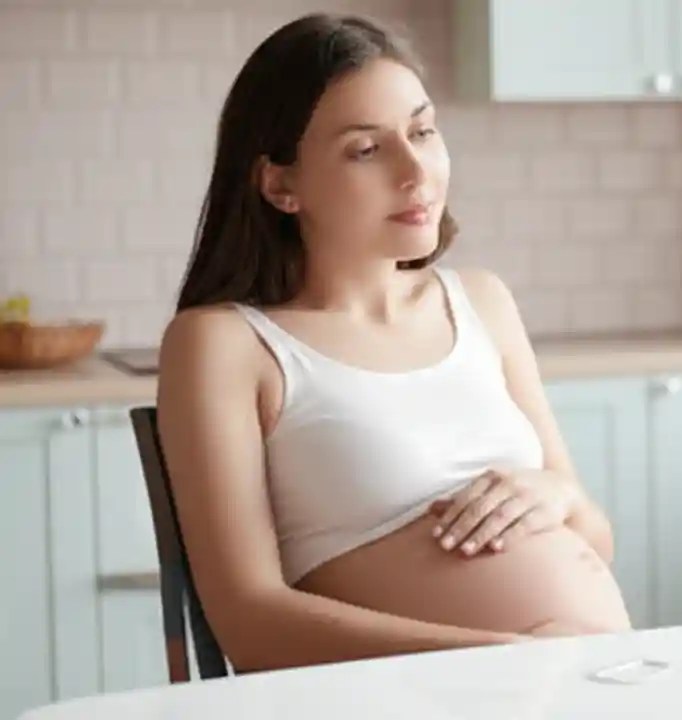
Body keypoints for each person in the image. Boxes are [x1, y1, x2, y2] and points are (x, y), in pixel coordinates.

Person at [156, 12, 632, 674]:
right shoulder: (227, 344)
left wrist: (559, 496)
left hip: (591, 681)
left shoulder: (483, 302)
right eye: (366, 149)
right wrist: (503, 658)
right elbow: (248, 621)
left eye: (423, 131)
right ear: (280, 184)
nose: (417, 172)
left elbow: (595, 540)